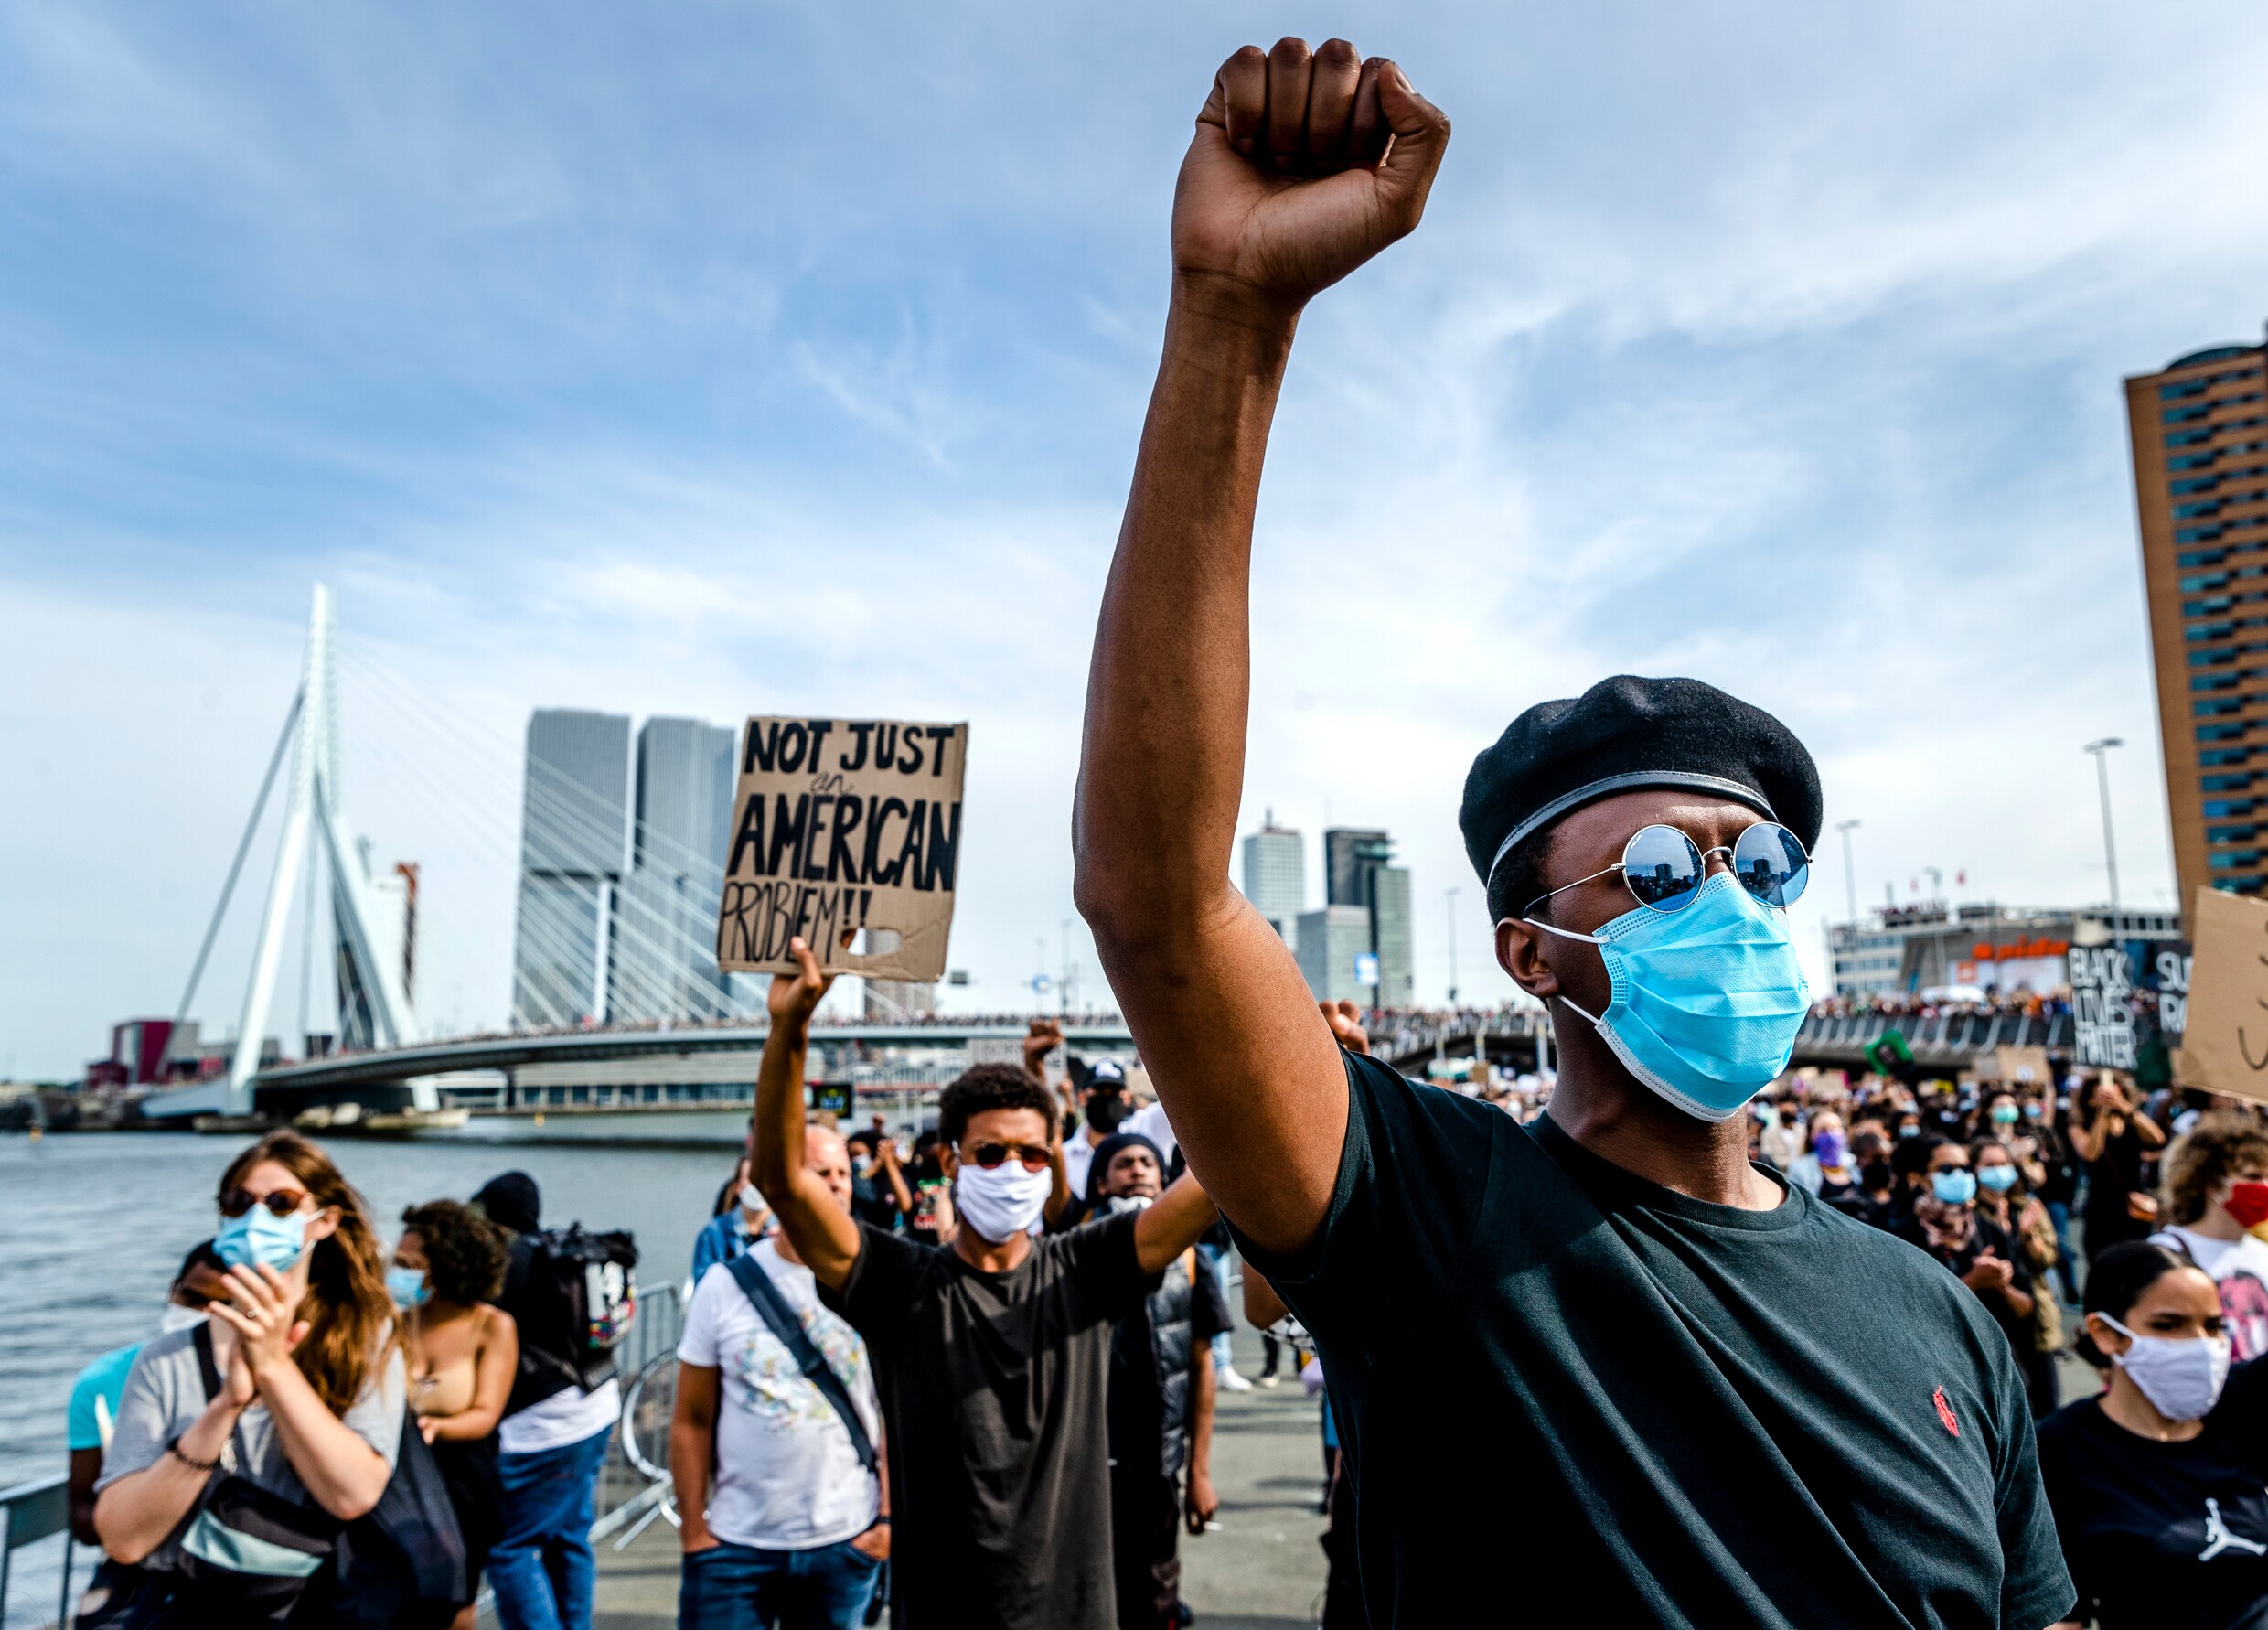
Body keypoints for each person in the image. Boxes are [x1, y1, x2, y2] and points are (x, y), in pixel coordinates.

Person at [1070, 37, 2071, 1625]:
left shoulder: (1937, 1318)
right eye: (1666, 872)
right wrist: (1233, 317)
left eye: (1765, 869)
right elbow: (1156, 899)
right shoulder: (1437, 1218)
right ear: (1538, 954)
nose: (1731, 903)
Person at [751, 936, 1224, 1630]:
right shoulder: (901, 1283)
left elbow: (1218, 1178)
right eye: (991, 1153)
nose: (1014, 1170)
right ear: (952, 1160)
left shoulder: (1088, 1270)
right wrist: (788, 1030)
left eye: (1034, 1155)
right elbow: (783, 1182)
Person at [94, 1132, 406, 1622]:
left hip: (315, 1608)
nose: (256, 1218)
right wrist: (225, 1406)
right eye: (239, 1203)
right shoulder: (165, 1358)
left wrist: (274, 1369)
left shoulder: (366, 1339)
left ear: (325, 1220)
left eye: (281, 1203)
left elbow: (353, 1495)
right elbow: (123, 1539)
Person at [672, 1120, 890, 1630]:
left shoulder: (882, 1278)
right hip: (734, 1547)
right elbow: (691, 1418)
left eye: (844, 1170)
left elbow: (897, 1411)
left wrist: (885, 1524)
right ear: (784, 1184)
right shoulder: (724, 1286)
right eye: (822, 1171)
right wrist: (694, 1532)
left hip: (845, 1540)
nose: (839, 1182)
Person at [2037, 1240, 2268, 1629]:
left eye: (2213, 1326)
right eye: (2168, 1325)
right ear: (2107, 1333)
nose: (2200, 1343)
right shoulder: (2064, 1448)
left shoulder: (2237, 1415)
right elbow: (2060, 1616)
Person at [1088, 1131, 1226, 1630]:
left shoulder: (1193, 1258)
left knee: (1156, 1587)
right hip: (1088, 1465)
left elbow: (1203, 1365)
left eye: (1148, 1160)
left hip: (1159, 1466)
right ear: (1101, 1182)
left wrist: (1201, 1472)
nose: (1139, 1169)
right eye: (1124, 1163)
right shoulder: (1075, 1253)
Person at [476, 1170, 616, 1630]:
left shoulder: (508, 1263)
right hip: (596, 1405)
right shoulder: (557, 1253)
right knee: (569, 1535)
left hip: (541, 1425)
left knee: (509, 1546)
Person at [66, 1242, 232, 1622]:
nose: (202, 1313)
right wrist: (146, 1510)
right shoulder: (101, 1381)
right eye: (191, 1297)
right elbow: (83, 1518)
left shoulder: (264, 1377)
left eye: (220, 1304)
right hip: (135, 1564)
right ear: (172, 1290)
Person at [396, 1199, 519, 1630]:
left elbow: (486, 1413)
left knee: (453, 1605)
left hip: (460, 1484)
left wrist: (437, 1426)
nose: (397, 1271)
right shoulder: (398, 1320)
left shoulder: (492, 1326)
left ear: (446, 1265)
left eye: (408, 1263)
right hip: (397, 1480)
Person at [2151, 1113, 2268, 1362]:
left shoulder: (2263, 1253)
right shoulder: (2164, 1255)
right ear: (2212, 1182)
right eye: (2254, 1176)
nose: (2265, 1186)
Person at [2071, 1072, 2166, 1264]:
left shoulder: (2131, 1123)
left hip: (2133, 1206)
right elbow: (2091, 1153)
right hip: (2101, 1209)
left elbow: (2157, 1138)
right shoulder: (2079, 1127)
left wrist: (2123, 1106)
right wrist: (2102, 1113)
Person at [695, 1161, 776, 1281]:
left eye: (764, 1177)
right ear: (737, 1187)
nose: (758, 1184)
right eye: (752, 1178)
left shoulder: (787, 1232)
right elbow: (704, 1286)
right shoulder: (713, 1232)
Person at [843, 1130, 914, 1233]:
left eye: (859, 1153)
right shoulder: (851, 1177)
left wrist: (889, 1163)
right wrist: (877, 1162)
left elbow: (905, 1204)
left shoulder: (891, 1177)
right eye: (852, 1154)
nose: (856, 1159)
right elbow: (861, 1180)